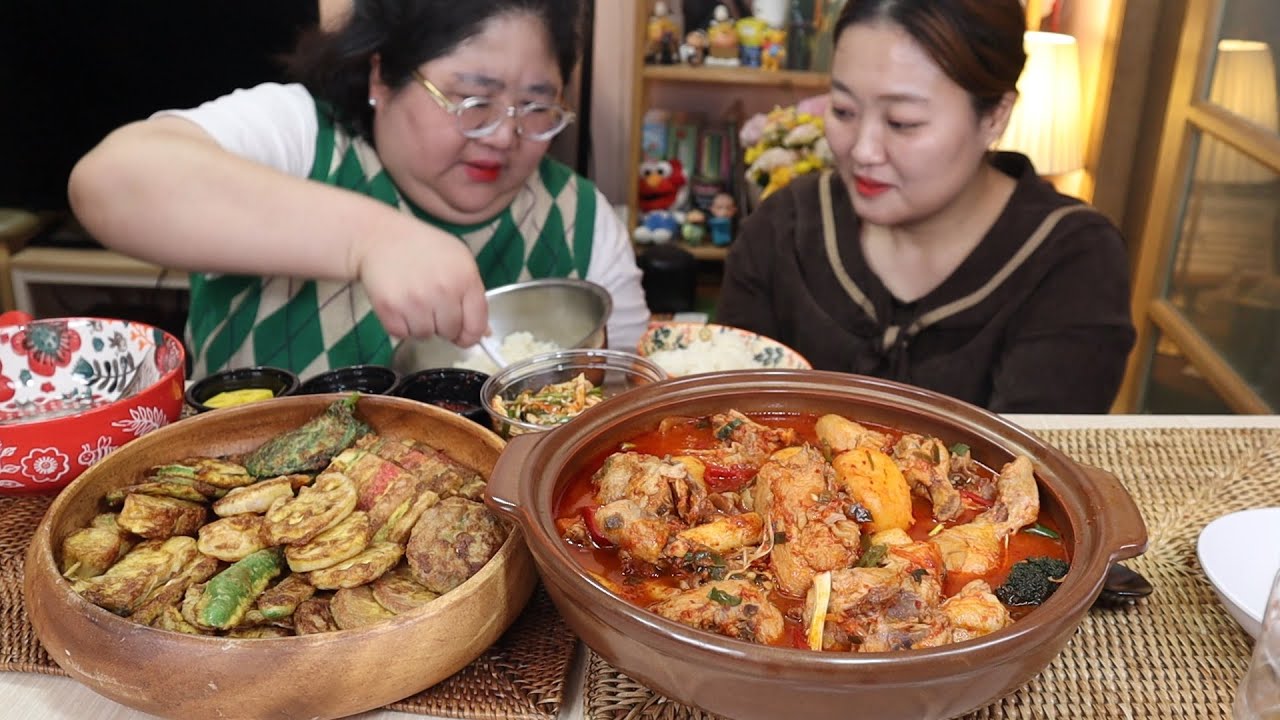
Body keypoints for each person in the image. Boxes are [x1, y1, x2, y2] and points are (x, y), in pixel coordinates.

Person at [68, 0, 650, 380]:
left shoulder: (580, 219)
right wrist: (373, 239)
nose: (505, 135)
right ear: (382, 76)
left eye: (537, 106)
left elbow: (631, 390)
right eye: (472, 100)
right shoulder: (300, 136)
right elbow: (109, 183)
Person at [716, 0, 1135, 413]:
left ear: (995, 117)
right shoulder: (783, 228)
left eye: (902, 122)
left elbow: (1037, 466)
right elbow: (719, 419)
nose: (862, 150)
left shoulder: (1071, 260)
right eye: (844, 110)